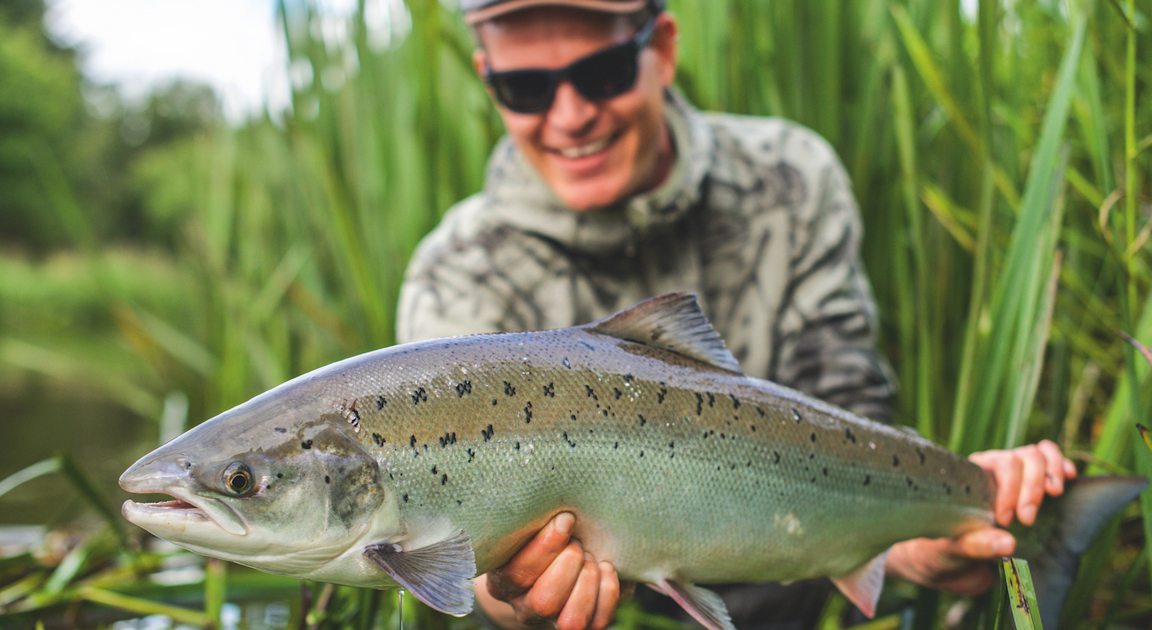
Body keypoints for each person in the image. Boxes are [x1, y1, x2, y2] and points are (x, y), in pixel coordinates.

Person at [395, 1, 1077, 628]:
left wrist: (913, 543)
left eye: (601, 72)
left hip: (806, 596)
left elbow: (847, 427)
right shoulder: (455, 274)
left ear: (661, 49)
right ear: (488, 81)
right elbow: (455, 551)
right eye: (527, 89)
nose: (570, 114)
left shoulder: (791, 177)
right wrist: (515, 603)